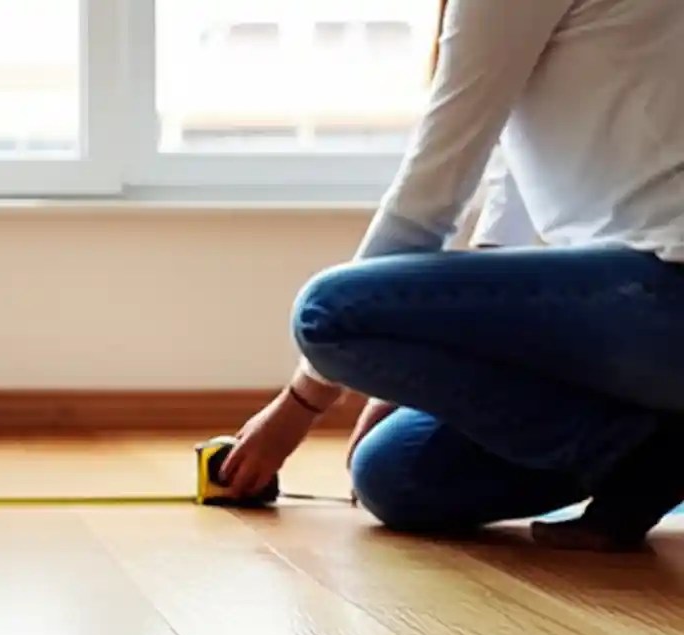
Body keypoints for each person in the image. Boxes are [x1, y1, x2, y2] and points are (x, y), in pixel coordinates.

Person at [220, 0, 684, 551]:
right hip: (642, 319)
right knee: (398, 473)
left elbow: (429, 197)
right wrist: (419, 360)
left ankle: (634, 453)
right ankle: (650, 445)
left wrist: (301, 404)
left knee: (329, 313)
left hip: (662, 295)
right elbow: (507, 198)